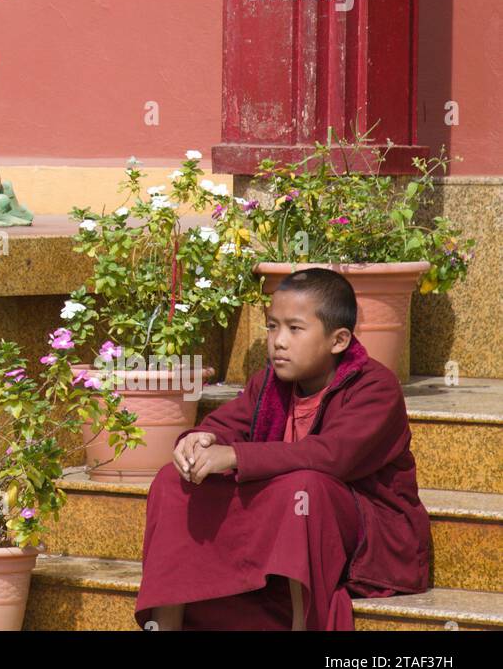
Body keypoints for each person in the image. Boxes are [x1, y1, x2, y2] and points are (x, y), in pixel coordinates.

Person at [134, 267, 431, 630]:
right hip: (290, 527)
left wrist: (236, 456)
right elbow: (227, 424)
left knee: (304, 487)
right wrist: (198, 439)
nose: (278, 341)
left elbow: (333, 456)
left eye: (294, 328)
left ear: (338, 340)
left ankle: (302, 624)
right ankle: (167, 625)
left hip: (369, 539)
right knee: (173, 481)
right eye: (272, 326)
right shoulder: (270, 383)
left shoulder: (375, 387)